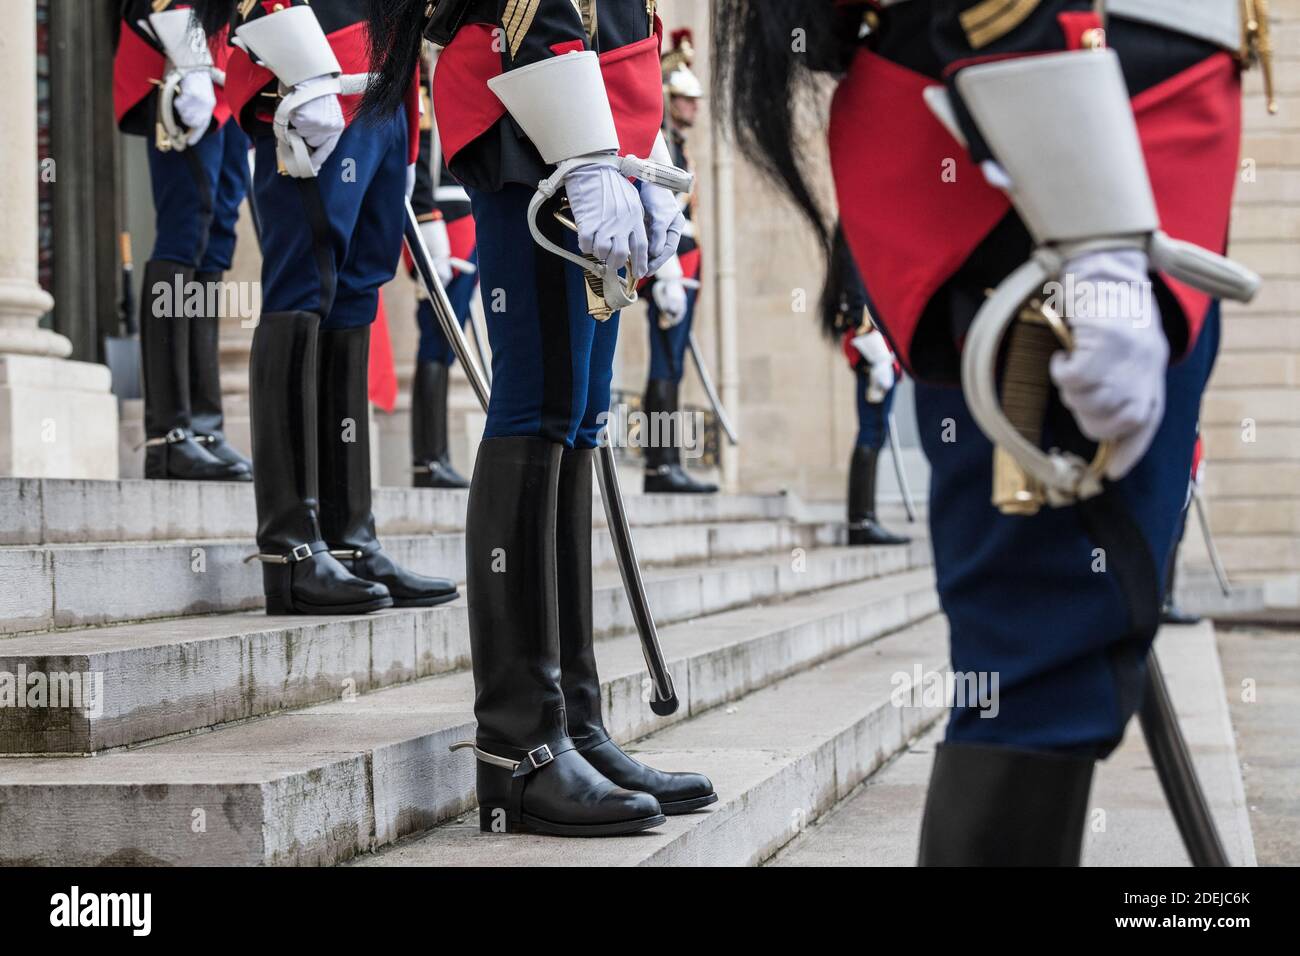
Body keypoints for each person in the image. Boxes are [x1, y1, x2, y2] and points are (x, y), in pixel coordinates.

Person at [715, 0, 1258, 864]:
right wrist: (1089, 214)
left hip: (1116, 147)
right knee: (1041, 672)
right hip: (1047, 151)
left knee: (1064, 656)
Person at [363, 0, 716, 836]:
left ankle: (575, 725)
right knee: (537, 407)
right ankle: (520, 745)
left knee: (579, 417)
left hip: (588, 110)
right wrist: (592, 144)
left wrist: (642, 132)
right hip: (536, 106)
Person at [197, 0, 457, 615]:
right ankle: (290, 550)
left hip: (385, 82)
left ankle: (351, 539)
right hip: (316, 70)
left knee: (356, 296)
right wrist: (298, 60)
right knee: (303, 290)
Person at [114, 1, 253, 481]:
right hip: (182, 55)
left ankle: (204, 424)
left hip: (229, 67)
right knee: (183, 234)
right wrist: (191, 60)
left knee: (216, 241)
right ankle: (168, 436)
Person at [640, 29, 715, 494]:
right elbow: (660, 214)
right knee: (664, 368)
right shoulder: (662, 143)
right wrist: (666, 272)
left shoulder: (680, 146)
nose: (694, 108)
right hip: (673, 268)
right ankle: (659, 466)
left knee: (673, 367)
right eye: (686, 100)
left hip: (686, 268)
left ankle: (668, 463)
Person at [408, 45, 477, 490]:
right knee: (437, 339)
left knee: (449, 344)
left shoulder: (441, 72)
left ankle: (435, 455)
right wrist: (428, 220)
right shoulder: (417, 80)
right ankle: (427, 459)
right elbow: (418, 155)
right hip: (440, 226)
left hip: (463, 223)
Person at [827, 229, 910, 546]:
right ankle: (861, 521)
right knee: (871, 429)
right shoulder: (854, 227)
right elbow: (854, 289)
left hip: (878, 340)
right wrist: (871, 341)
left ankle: (865, 518)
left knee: (875, 430)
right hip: (870, 340)